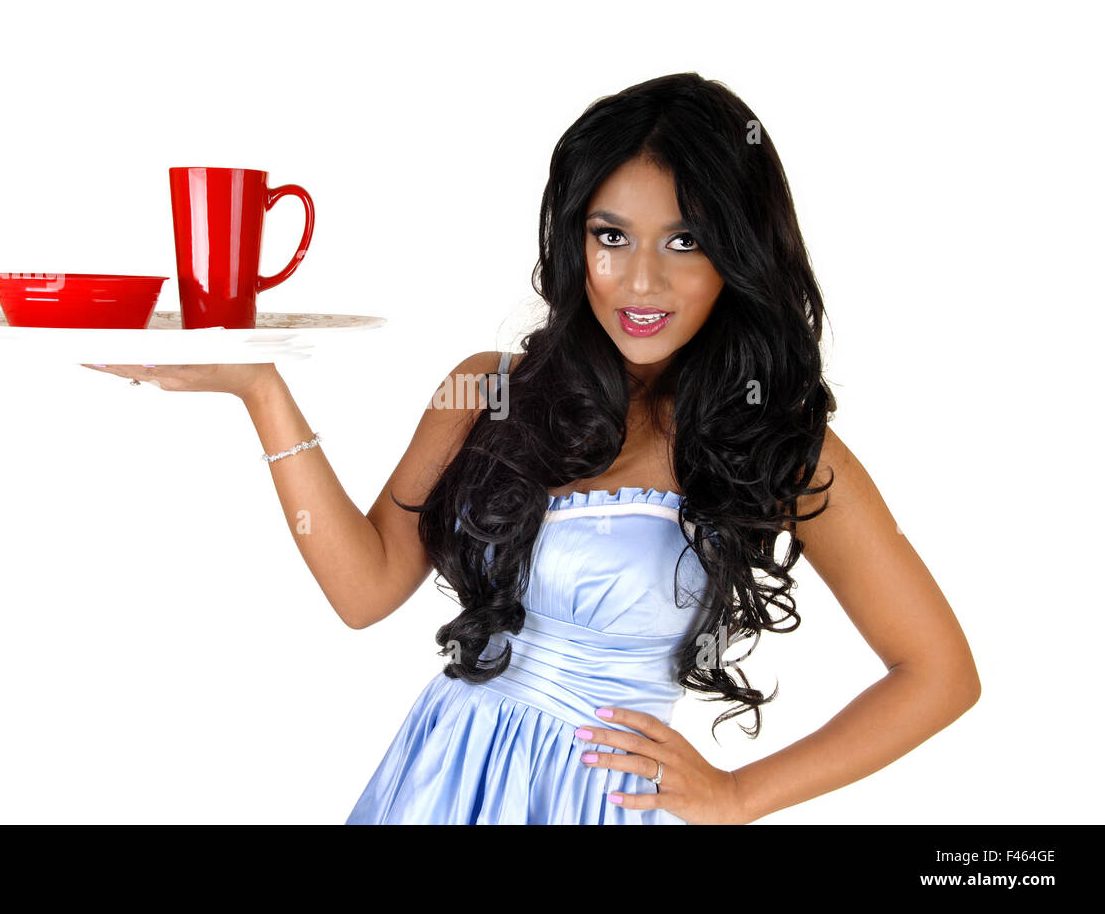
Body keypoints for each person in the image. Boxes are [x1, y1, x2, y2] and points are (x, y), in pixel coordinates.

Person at [82, 72, 981, 824]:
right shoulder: (490, 387)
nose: (641, 280)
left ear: (738, 255)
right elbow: (364, 590)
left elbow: (939, 674)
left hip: (597, 801)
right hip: (438, 779)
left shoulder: (778, 445)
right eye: (611, 236)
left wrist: (739, 792)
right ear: (574, 239)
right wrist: (261, 389)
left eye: (685, 241)